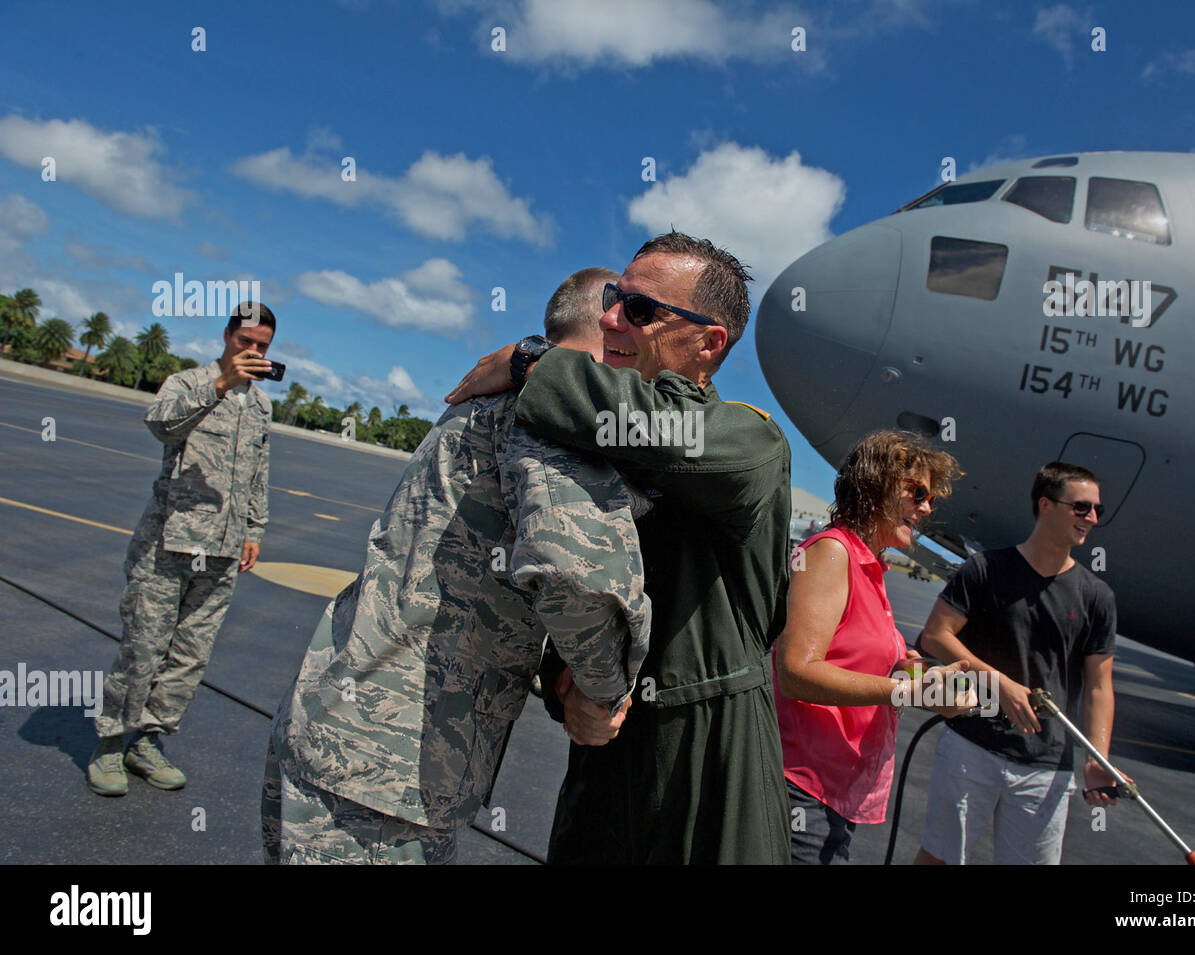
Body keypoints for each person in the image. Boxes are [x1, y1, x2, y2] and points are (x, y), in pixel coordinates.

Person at [264, 267, 651, 864]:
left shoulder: (490, 398)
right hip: (392, 765)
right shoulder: (545, 411)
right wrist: (605, 691)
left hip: (341, 723)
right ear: (605, 329)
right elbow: (572, 572)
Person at [445, 231, 792, 864]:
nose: (609, 318)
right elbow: (571, 578)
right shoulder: (594, 438)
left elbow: (655, 425)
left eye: (639, 309)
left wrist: (532, 360)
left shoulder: (750, 444)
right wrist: (567, 689)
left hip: (710, 752)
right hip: (610, 745)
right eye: (613, 298)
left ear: (709, 342)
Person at [88, 302, 276, 796]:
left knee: (191, 655)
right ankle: (109, 744)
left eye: (262, 346)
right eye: (245, 342)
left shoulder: (260, 406)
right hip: (167, 543)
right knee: (143, 648)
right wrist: (219, 387)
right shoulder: (188, 383)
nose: (252, 352)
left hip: (223, 548)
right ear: (226, 337)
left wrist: (254, 528)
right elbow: (161, 425)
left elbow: (259, 470)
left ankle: (147, 742)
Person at [773, 430, 973, 864]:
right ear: (874, 484)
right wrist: (906, 691)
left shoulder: (868, 565)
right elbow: (796, 671)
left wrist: (912, 672)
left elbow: (855, 662)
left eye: (931, 499)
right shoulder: (832, 553)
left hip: (834, 792)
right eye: (917, 492)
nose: (925, 508)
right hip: (803, 788)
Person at [913, 461, 1123, 865]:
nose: (1092, 519)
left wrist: (1098, 758)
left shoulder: (1097, 596)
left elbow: (1099, 686)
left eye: (1097, 509)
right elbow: (936, 635)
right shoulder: (987, 569)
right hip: (971, 744)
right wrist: (998, 683)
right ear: (1046, 504)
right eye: (1081, 507)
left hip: (1046, 764)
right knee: (939, 859)